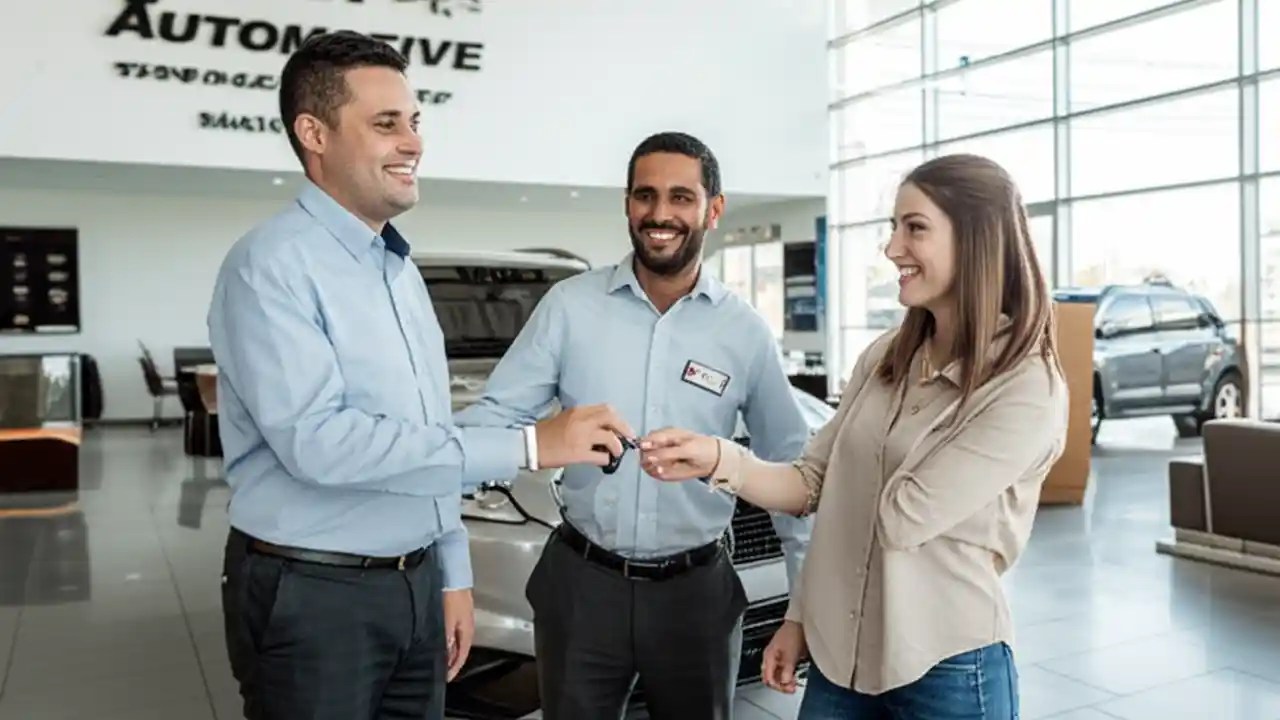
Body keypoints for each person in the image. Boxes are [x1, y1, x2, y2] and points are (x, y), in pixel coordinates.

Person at [206, 31, 632, 720]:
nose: (413, 142)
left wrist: (451, 571)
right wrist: (529, 445)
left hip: (413, 582)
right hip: (314, 592)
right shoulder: (270, 266)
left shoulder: (398, 269)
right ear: (312, 133)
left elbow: (426, 434)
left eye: (414, 121)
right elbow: (321, 443)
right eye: (385, 124)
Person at [638, 153, 1069, 719]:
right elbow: (811, 482)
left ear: (978, 241)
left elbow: (900, 515)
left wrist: (829, 479)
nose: (892, 249)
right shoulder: (888, 356)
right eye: (894, 228)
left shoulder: (1025, 387)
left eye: (915, 228)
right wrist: (718, 457)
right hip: (842, 659)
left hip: (949, 666)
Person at [453, 131, 815, 719]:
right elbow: (491, 422)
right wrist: (530, 444)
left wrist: (802, 603)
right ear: (627, 204)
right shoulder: (570, 307)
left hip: (696, 592)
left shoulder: (744, 330)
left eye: (681, 197)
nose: (660, 213)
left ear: (713, 210)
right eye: (645, 195)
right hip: (581, 582)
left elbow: (795, 471)